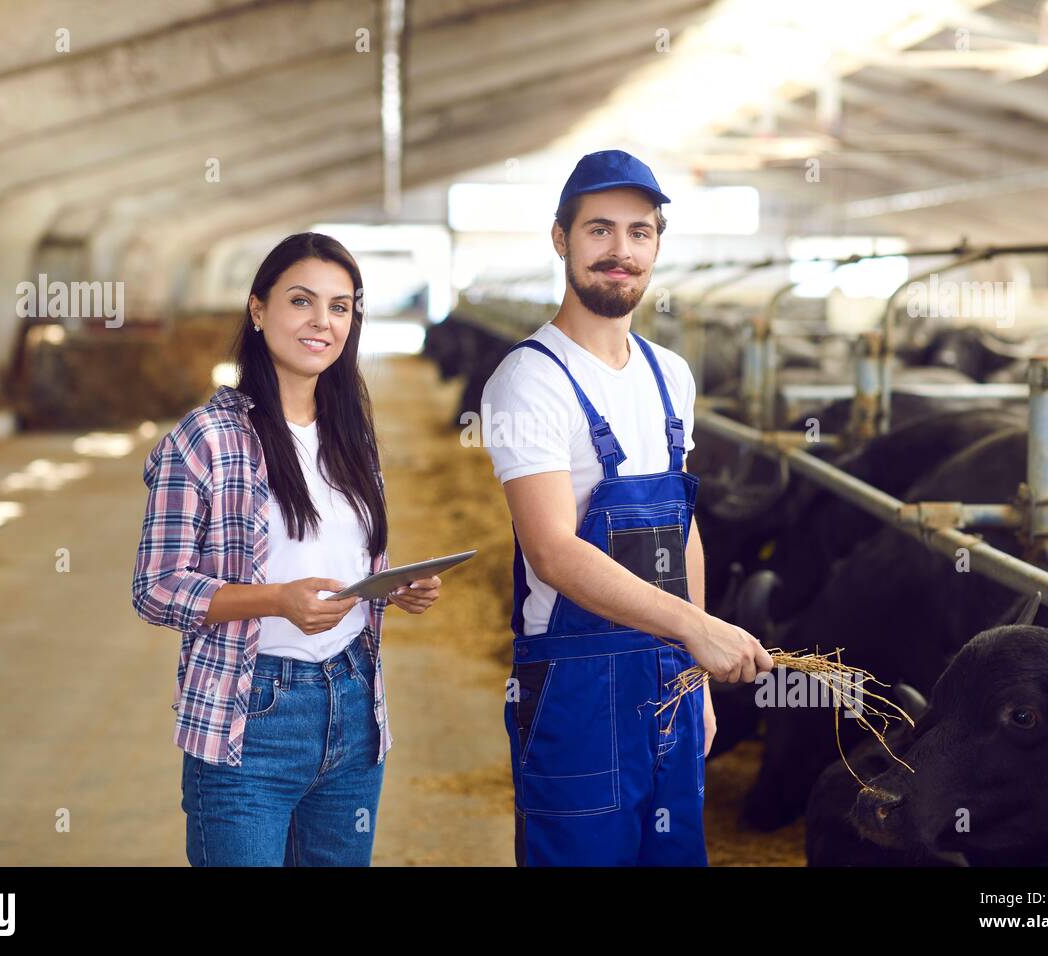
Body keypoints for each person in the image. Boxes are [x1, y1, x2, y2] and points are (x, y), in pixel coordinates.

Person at [481, 149, 774, 866]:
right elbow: (552, 549)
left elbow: (683, 525)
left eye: (639, 233)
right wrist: (695, 631)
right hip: (578, 689)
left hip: (667, 681)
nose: (621, 251)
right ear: (561, 239)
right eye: (600, 231)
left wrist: (693, 672)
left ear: (656, 247)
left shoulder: (669, 374)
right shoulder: (530, 380)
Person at [131, 232, 441, 866]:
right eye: (301, 301)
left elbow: (344, 557)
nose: (321, 323)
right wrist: (275, 601)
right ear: (258, 309)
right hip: (252, 714)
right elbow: (155, 588)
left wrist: (393, 586)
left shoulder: (351, 432)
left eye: (341, 306)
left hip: (355, 704)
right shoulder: (205, 439)